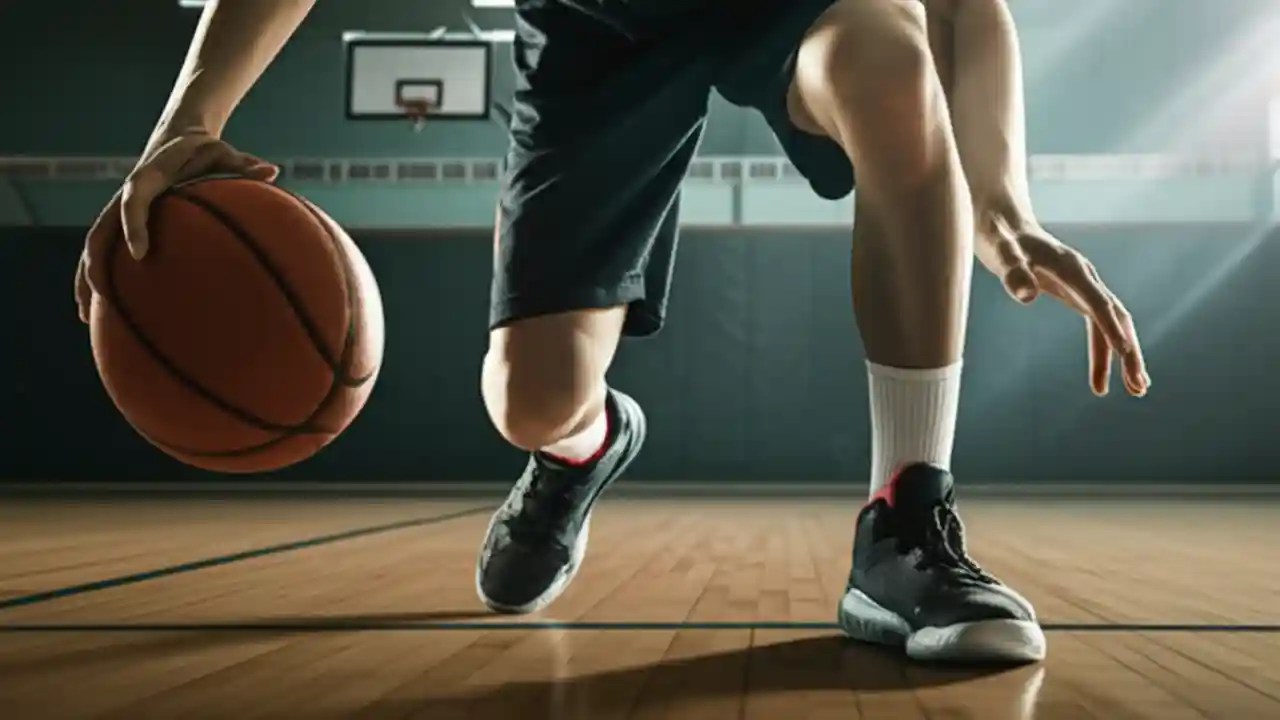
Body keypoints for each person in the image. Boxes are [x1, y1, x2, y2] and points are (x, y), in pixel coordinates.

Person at [76, 0, 1149, 663]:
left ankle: (904, 522)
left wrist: (1004, 208)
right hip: (592, 26)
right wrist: (185, 123)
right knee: (527, 399)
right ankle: (581, 442)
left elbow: (959, 4)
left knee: (893, 63)